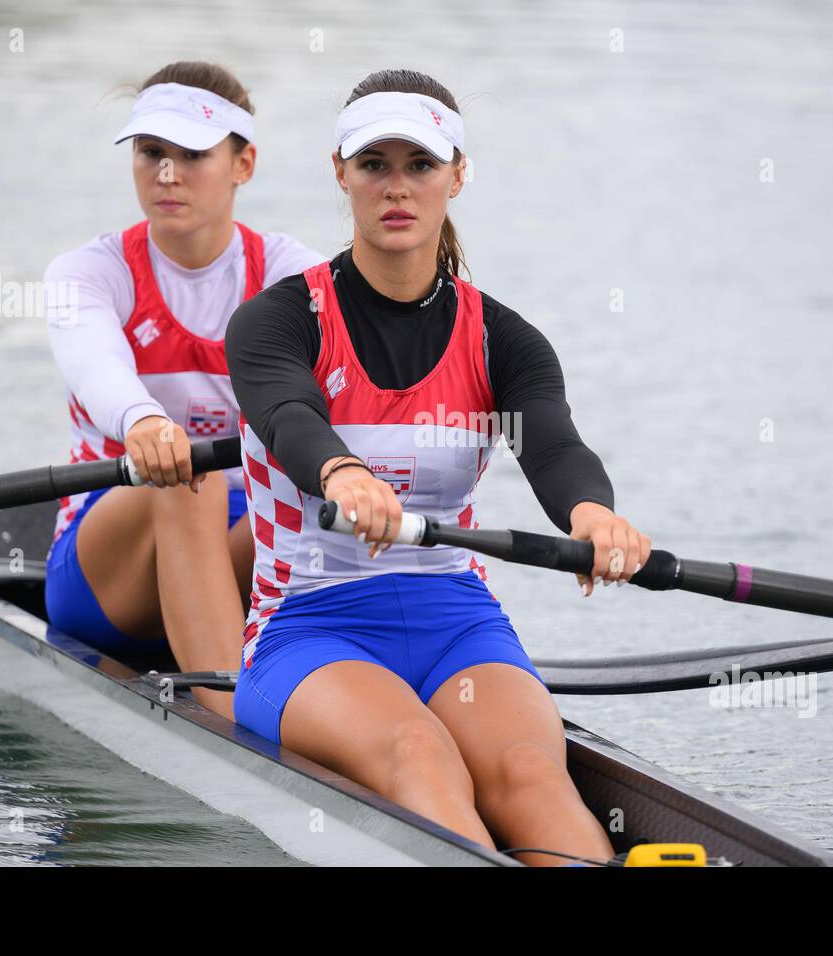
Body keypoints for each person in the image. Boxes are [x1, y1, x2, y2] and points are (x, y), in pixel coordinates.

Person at [225, 69, 651, 865]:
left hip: (457, 619)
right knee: (418, 752)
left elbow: (552, 445)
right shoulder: (277, 320)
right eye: (374, 164)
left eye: (420, 165)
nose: (397, 187)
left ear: (457, 176)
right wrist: (344, 476)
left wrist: (593, 515)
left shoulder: (503, 338)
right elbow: (289, 417)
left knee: (530, 772)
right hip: (308, 626)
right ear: (340, 172)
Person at [43, 61, 325, 719]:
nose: (166, 175)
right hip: (108, 578)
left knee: (342, 488)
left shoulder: (294, 274)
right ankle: (239, 724)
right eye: (151, 153)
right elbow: (95, 363)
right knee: (184, 481)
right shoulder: (89, 272)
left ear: (243, 163)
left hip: (242, 549)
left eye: (192, 154)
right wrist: (144, 423)